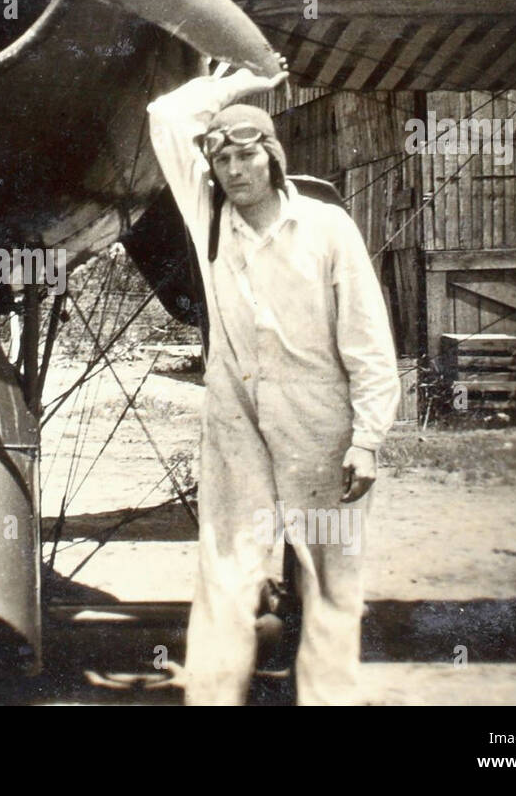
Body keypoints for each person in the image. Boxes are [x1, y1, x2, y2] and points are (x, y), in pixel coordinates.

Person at [146, 66, 400, 705]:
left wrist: (367, 438)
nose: (235, 170)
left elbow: (368, 341)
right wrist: (239, 85)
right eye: (223, 158)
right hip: (235, 415)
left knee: (331, 578)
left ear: (274, 158)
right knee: (226, 571)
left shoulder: (327, 228)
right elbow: (166, 119)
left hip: (319, 414)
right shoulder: (207, 218)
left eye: (247, 155)